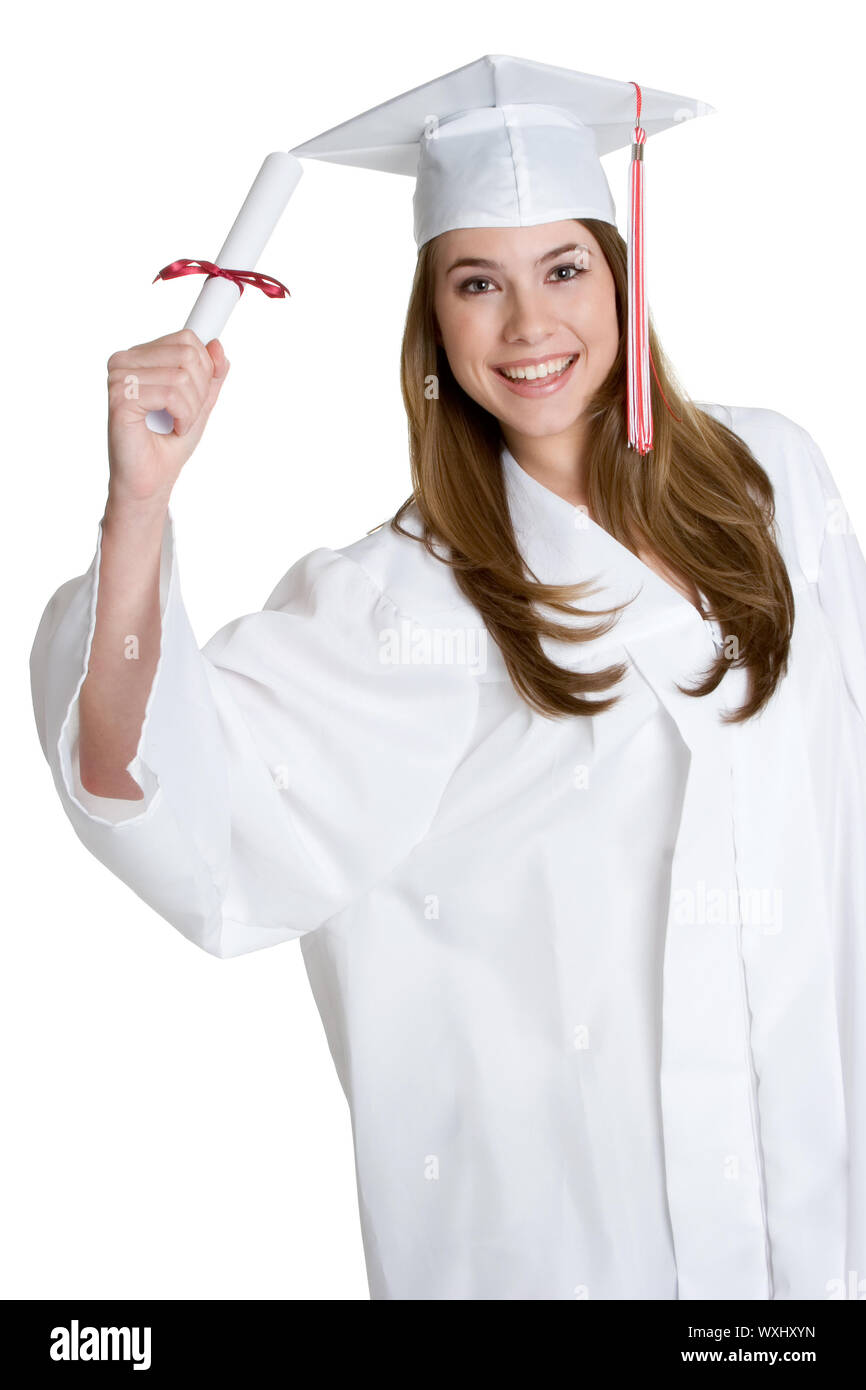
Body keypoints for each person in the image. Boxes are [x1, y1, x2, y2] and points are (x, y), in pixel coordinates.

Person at [29, 56, 866, 1301]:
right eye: (477, 283)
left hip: (808, 1213)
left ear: (620, 280)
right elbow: (167, 797)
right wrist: (138, 510)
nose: (529, 327)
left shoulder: (770, 480)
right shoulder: (404, 597)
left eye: (562, 269)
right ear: (433, 322)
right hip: (579, 1250)